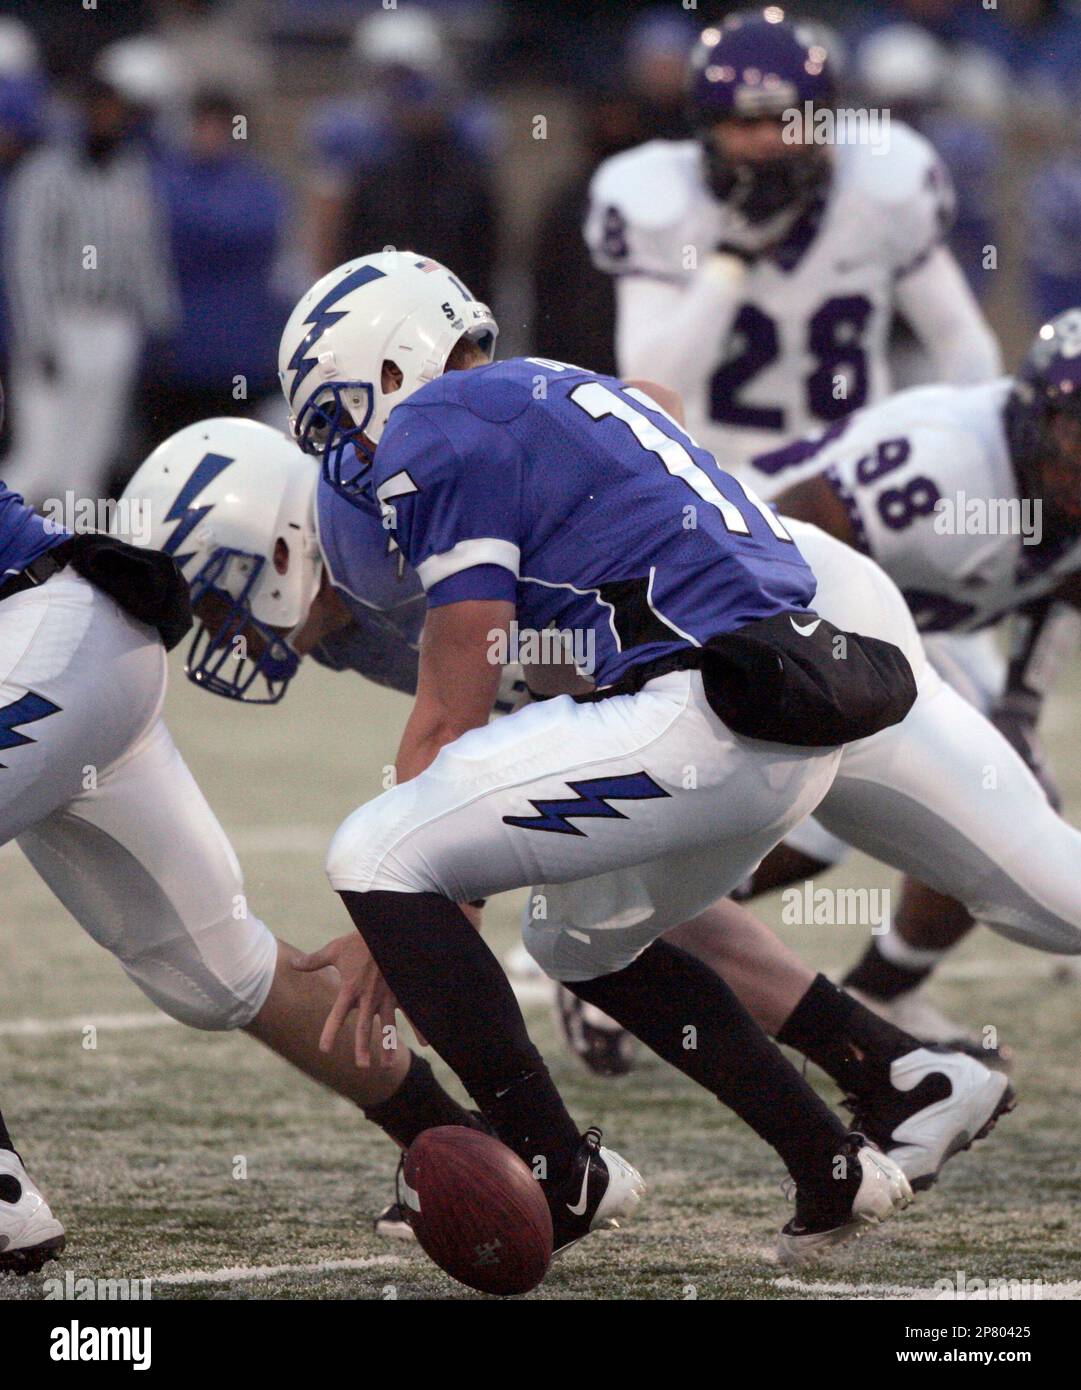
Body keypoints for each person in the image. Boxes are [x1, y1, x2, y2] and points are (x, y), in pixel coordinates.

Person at [275, 248, 931, 1264]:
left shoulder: (439, 424)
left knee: (372, 849)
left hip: (701, 715)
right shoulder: (556, 387)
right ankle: (829, 1160)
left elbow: (451, 712)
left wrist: (400, 913)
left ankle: (553, 1168)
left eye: (335, 418)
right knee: (578, 940)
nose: (348, 455)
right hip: (782, 727)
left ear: (388, 364)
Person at [0, 402, 535, 1275]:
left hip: (39, 631)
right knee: (217, 972)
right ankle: (469, 1140)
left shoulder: (394, 556)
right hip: (84, 644)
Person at [584, 9, 1001, 483]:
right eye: (744, 123)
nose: (768, 140)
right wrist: (730, 261)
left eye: (787, 120)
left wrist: (977, 461)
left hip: (856, 478)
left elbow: (959, 342)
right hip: (721, 480)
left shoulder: (881, 184)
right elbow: (653, 384)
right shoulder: (661, 199)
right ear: (705, 126)